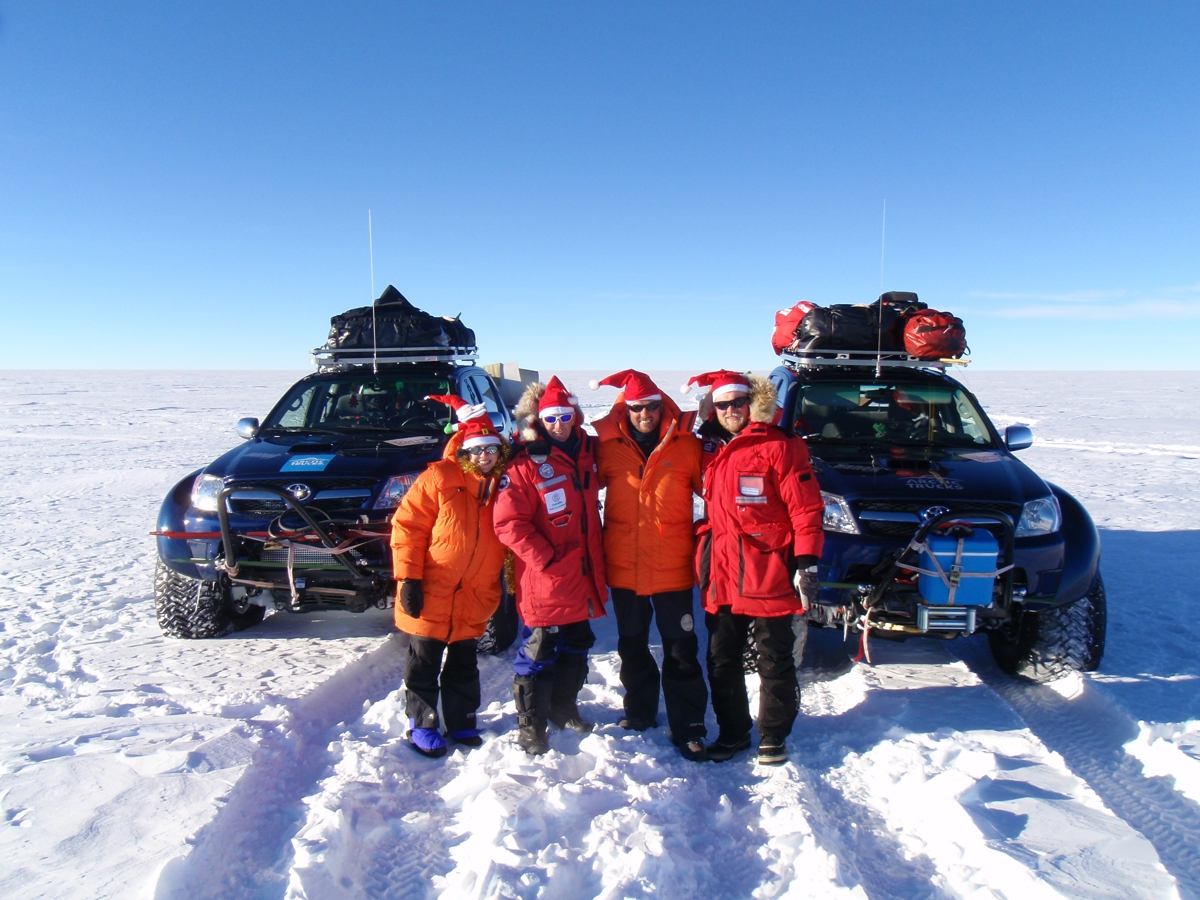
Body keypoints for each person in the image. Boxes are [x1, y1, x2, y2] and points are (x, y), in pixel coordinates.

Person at [685, 369, 824, 766]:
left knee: (774, 657)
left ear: (752, 404)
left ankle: (773, 735)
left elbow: (806, 507)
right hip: (723, 573)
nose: (731, 410)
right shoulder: (709, 446)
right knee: (721, 657)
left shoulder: (780, 445)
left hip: (768, 570)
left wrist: (807, 562)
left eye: (738, 403)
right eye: (723, 404)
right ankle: (732, 732)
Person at [590, 369, 708, 761]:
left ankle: (688, 724)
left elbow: (718, 484)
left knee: (680, 649)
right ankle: (639, 712)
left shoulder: (686, 445)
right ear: (626, 409)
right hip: (624, 566)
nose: (645, 414)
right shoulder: (607, 448)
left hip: (671, 566)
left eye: (652, 407)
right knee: (633, 645)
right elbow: (575, 479)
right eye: (638, 408)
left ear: (662, 407)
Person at [493, 376, 608, 755]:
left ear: (575, 416)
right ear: (539, 420)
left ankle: (563, 707)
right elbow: (508, 523)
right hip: (547, 577)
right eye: (551, 418)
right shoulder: (525, 465)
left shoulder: (587, 454)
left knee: (578, 641)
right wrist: (545, 558)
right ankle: (531, 725)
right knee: (539, 649)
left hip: (583, 571)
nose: (559, 424)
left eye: (565, 416)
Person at [390, 395, 510, 758]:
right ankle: (422, 724)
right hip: (433, 588)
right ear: (465, 450)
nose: (484, 456)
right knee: (424, 661)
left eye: (491, 448)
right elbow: (407, 528)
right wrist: (408, 579)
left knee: (463, 663)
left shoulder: (504, 484)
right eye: (477, 450)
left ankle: (461, 720)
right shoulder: (439, 477)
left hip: (475, 593)